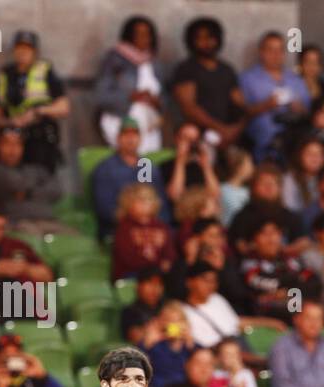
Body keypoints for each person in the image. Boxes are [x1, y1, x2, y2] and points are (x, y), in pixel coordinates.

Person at [0, 31, 69, 174]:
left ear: (35, 52)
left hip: (41, 137)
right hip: (15, 139)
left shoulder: (45, 70)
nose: (22, 52)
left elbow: (63, 107)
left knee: (41, 181)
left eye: (27, 48)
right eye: (19, 48)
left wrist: (38, 111)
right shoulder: (5, 75)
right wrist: (12, 122)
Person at [170, 17, 245, 147]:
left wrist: (235, 130)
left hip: (230, 137)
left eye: (210, 37)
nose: (206, 43)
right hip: (197, 138)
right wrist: (220, 129)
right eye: (200, 38)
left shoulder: (227, 70)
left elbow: (240, 105)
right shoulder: (186, 69)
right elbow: (188, 108)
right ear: (192, 41)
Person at [94, 16, 165, 153]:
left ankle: (144, 175)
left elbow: (164, 96)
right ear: (129, 36)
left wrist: (156, 101)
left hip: (149, 123)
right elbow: (101, 96)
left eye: (147, 34)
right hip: (121, 119)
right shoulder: (114, 59)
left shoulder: (154, 62)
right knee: (127, 161)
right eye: (138, 34)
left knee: (147, 165)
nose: (144, 38)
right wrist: (132, 96)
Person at [92, 118, 169, 239]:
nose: (130, 139)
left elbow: (159, 201)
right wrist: (136, 219)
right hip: (120, 228)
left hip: (151, 226)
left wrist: (156, 224)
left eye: (134, 134)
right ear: (118, 138)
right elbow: (105, 209)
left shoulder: (146, 166)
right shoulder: (106, 169)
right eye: (126, 134)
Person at [241, 32, 311, 162]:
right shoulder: (248, 79)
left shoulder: (295, 79)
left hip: (294, 137)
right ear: (261, 52)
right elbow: (241, 113)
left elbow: (309, 112)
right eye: (271, 50)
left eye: (280, 50)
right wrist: (266, 105)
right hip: (264, 142)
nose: (276, 55)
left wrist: (299, 108)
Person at [0, 127, 61, 232]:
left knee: (74, 239)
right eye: (7, 144)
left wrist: (27, 193)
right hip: (13, 224)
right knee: (31, 235)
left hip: (47, 221)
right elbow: (15, 185)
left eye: (17, 144)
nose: (13, 149)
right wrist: (38, 188)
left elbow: (57, 190)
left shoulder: (34, 169)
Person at [111, 183, 175, 281]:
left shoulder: (161, 227)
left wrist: (166, 263)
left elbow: (169, 253)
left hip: (158, 273)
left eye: (148, 199)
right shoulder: (124, 228)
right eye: (140, 200)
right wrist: (154, 266)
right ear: (128, 204)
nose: (145, 203)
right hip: (132, 274)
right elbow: (127, 258)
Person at [180, 260, 241, 347]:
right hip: (215, 353)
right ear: (189, 282)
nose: (211, 285)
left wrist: (266, 322)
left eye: (213, 281)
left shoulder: (217, 299)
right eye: (205, 280)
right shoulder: (182, 311)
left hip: (238, 343)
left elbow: (237, 324)